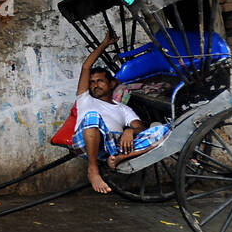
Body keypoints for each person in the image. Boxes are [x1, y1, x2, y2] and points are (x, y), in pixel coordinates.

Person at [73, 31, 170, 194]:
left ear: (111, 85)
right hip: (86, 141)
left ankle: (119, 158)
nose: (95, 85)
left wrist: (129, 131)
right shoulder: (85, 99)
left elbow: (141, 129)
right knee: (92, 117)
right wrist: (104, 44)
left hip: (114, 147)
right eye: (92, 82)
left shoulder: (123, 109)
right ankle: (93, 170)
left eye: (100, 81)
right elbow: (86, 67)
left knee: (166, 129)